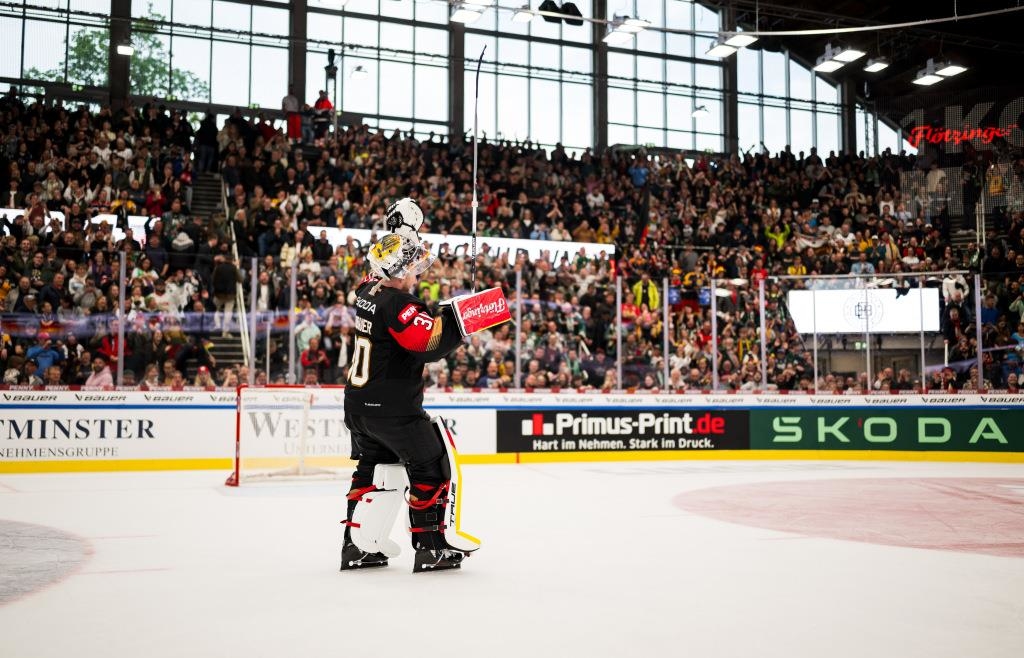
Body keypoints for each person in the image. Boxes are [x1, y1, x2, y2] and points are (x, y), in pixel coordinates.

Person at [342, 201, 498, 573]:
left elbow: (405, 307)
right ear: (398, 271)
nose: (415, 272)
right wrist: (466, 318)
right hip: (393, 409)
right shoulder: (399, 303)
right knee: (431, 466)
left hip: (358, 408)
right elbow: (429, 344)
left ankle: (357, 547)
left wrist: (405, 233)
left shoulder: (367, 290)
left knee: (372, 469)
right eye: (410, 266)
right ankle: (431, 548)